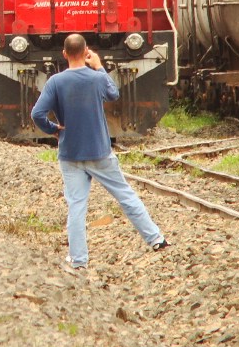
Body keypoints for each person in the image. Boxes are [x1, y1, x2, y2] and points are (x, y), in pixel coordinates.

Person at [30, 34, 169, 273]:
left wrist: (53, 130)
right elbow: (114, 94)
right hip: (100, 152)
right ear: (86, 52)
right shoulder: (96, 78)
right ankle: (156, 240)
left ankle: (79, 260)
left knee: (76, 206)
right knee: (126, 196)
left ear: (64, 54)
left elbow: (37, 114)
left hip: (70, 154)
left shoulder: (55, 82)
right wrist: (99, 66)